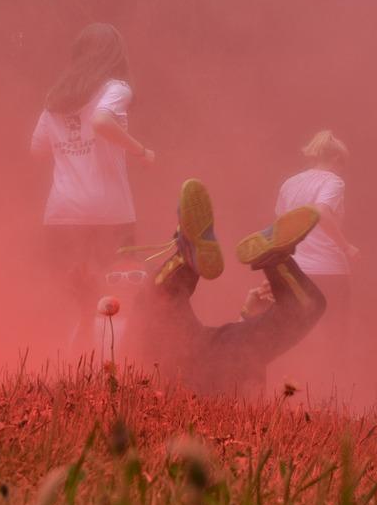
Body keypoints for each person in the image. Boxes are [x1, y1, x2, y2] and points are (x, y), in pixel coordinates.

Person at [126, 179, 326, 395]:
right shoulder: (97, 323)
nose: (123, 279)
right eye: (115, 277)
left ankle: (187, 258)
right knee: (307, 307)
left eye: (131, 274)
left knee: (155, 301)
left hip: (177, 371)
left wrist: (248, 315)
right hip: (212, 376)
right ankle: (273, 258)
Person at [30, 23, 158, 349]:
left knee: (77, 299)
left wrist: (69, 143)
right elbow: (101, 121)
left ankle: (67, 367)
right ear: (116, 54)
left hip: (61, 215)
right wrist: (140, 150)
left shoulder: (55, 100)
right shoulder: (116, 88)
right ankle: (106, 372)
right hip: (109, 213)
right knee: (117, 295)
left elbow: (37, 149)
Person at [271, 130, 358, 384]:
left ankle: (286, 384)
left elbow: (279, 223)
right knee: (335, 333)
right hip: (329, 270)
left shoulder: (290, 183)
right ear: (336, 160)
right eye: (344, 164)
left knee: (292, 332)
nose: (343, 171)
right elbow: (321, 211)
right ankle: (331, 389)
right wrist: (346, 246)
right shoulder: (333, 181)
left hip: (296, 268)